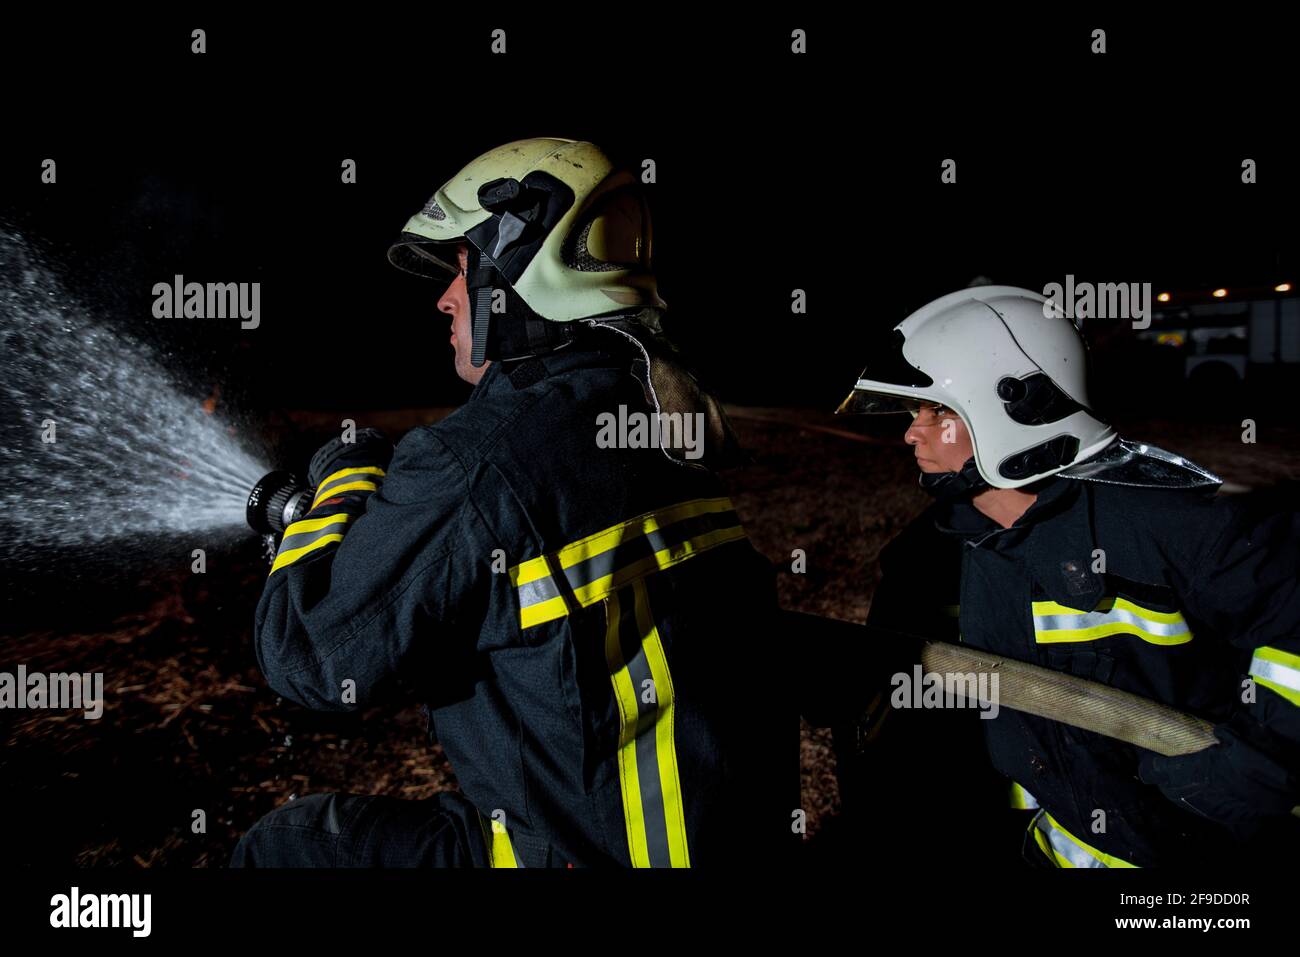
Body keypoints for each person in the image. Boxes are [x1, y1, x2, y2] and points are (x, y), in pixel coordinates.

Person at [231, 138, 798, 868]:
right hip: (708, 840)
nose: (444, 297)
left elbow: (307, 653)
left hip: (576, 854)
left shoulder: (482, 459)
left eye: (463, 269)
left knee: (290, 848)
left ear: (513, 271)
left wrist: (343, 478)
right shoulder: (656, 417)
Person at [833, 284, 1300, 867]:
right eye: (914, 413)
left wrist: (1245, 776)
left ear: (1017, 406)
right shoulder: (928, 557)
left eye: (940, 412)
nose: (912, 433)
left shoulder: (1169, 527)